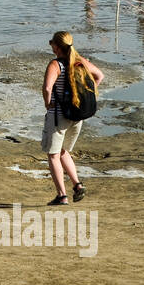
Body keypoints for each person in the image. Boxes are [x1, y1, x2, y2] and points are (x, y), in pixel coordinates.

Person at [42, 31, 104, 206]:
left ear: (56, 46)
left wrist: (48, 104)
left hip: (58, 116)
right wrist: (87, 94)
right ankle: (77, 185)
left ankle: (62, 196)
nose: (51, 46)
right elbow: (99, 76)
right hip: (77, 115)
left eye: (51, 43)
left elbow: (47, 88)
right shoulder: (80, 61)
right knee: (63, 152)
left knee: (53, 155)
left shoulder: (55, 64)